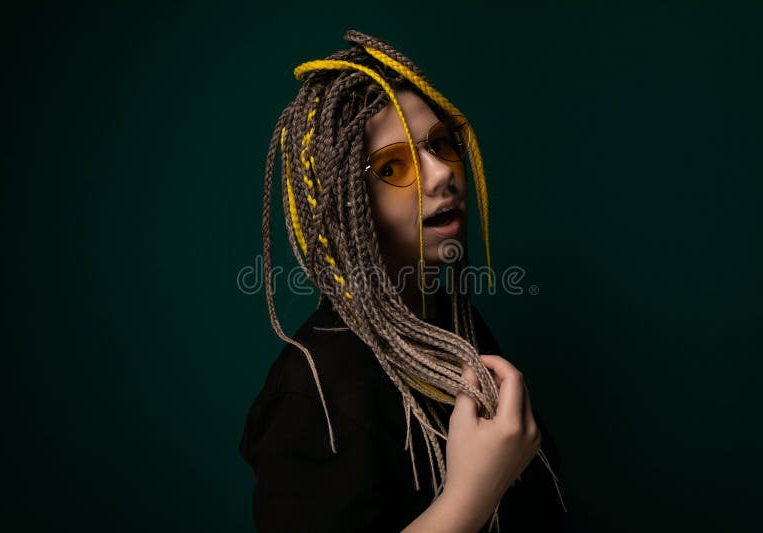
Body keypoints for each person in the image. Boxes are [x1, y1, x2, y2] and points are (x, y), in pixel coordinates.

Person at [239, 29, 566, 532]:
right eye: (394, 165)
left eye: (441, 144)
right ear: (347, 207)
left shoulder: (448, 324)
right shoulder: (312, 392)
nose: (440, 175)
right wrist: (470, 496)